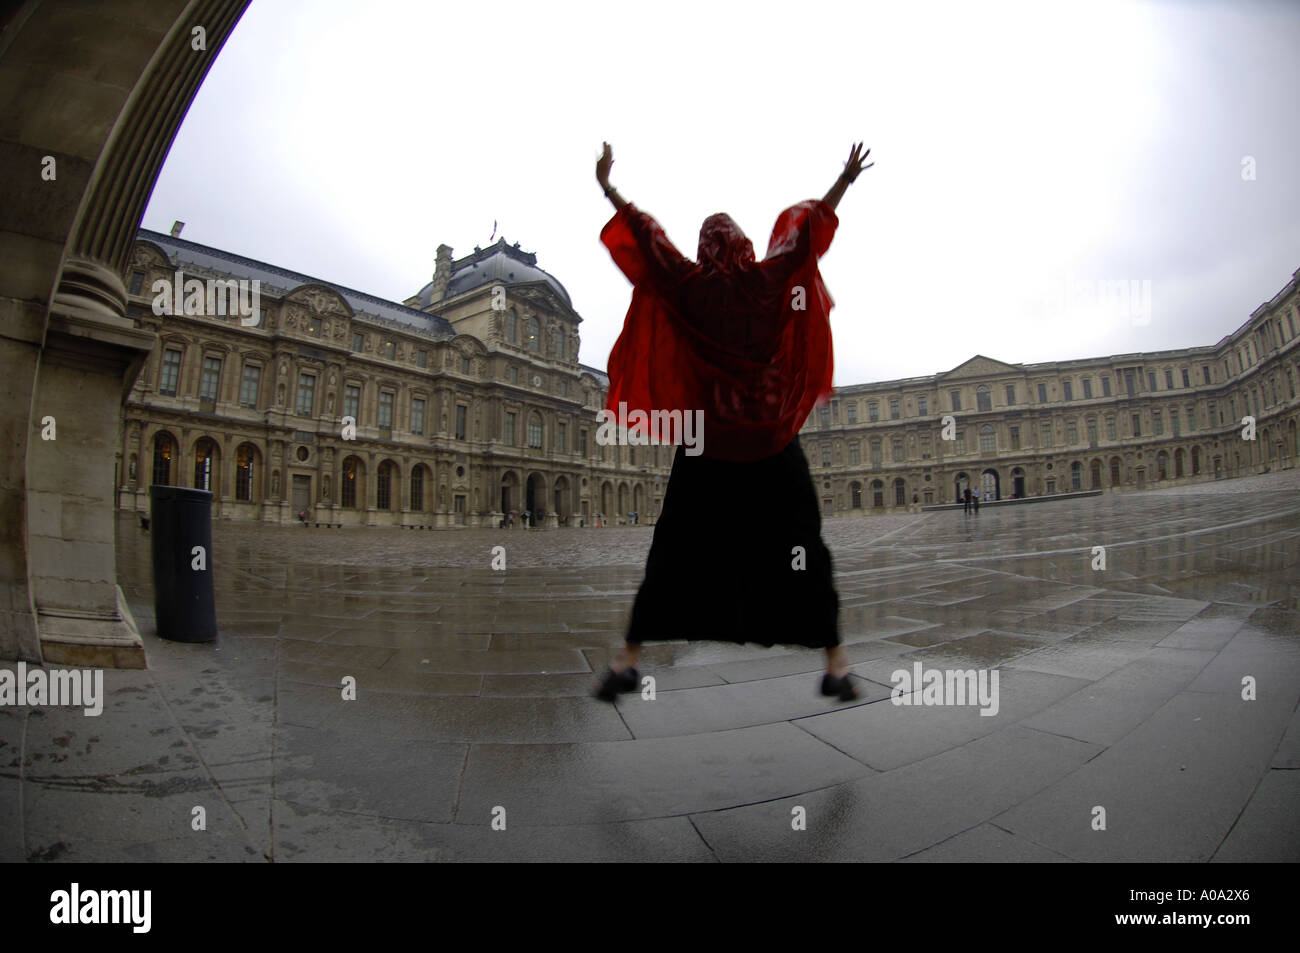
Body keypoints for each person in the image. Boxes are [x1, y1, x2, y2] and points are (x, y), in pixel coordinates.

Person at [592, 141, 873, 704]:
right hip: (770, 439)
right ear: (745, 248)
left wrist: (608, 186)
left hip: (707, 444)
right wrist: (844, 179)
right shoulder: (767, 280)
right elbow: (807, 236)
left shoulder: (689, 287)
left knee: (672, 550)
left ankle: (628, 660)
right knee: (804, 546)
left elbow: (647, 238)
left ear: (704, 250)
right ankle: (836, 664)